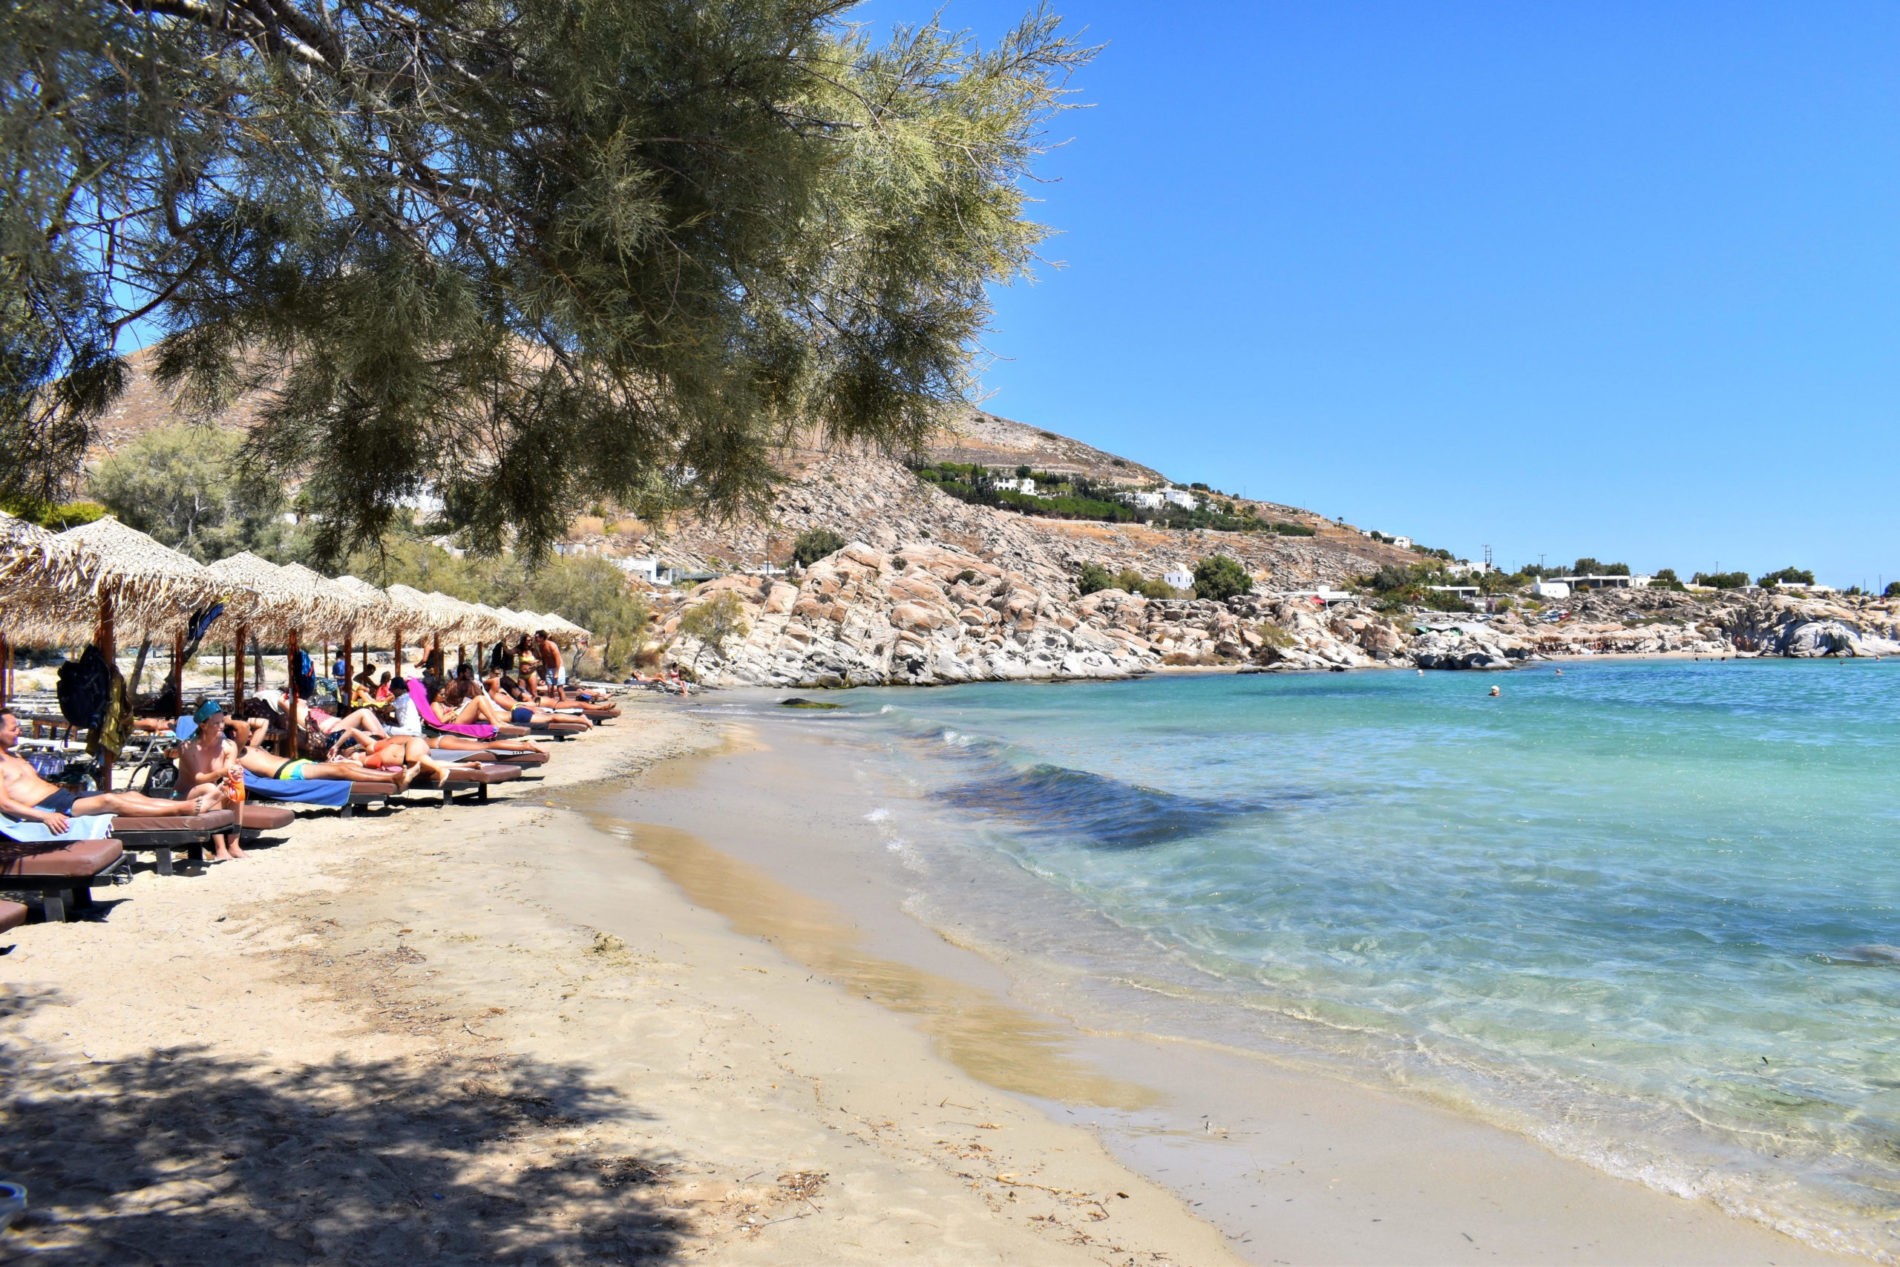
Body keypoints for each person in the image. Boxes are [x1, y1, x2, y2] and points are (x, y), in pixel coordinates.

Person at [0, 709, 228, 836]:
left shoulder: (15, 755)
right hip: (50, 808)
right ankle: (184, 808)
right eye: (13, 728)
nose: (19, 730)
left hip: (62, 798)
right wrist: (45, 816)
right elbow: (5, 804)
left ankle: (183, 807)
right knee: (110, 800)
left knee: (131, 796)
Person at [173, 701, 250, 860]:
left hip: (211, 792)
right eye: (216, 723)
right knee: (209, 787)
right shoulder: (190, 748)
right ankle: (220, 848)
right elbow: (198, 778)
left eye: (222, 721)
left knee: (236, 784)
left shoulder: (228, 746)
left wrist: (232, 773)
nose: (221, 726)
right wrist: (222, 772)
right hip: (185, 795)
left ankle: (234, 844)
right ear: (203, 725)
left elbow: (228, 773)